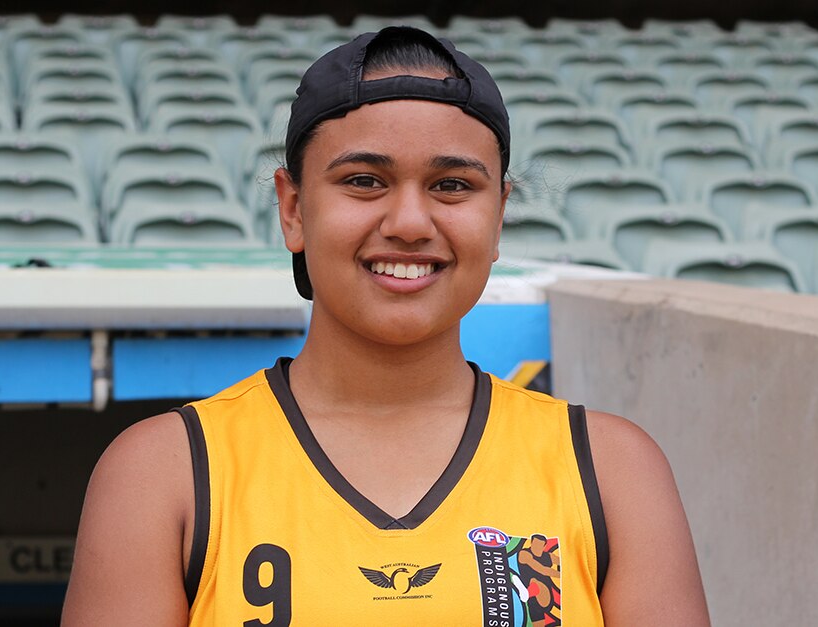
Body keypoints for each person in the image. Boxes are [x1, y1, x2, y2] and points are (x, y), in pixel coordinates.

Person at [62, 26, 710, 626]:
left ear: (500, 214)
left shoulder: (612, 470)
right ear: (292, 208)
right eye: (365, 180)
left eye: (453, 185)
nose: (409, 221)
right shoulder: (163, 474)